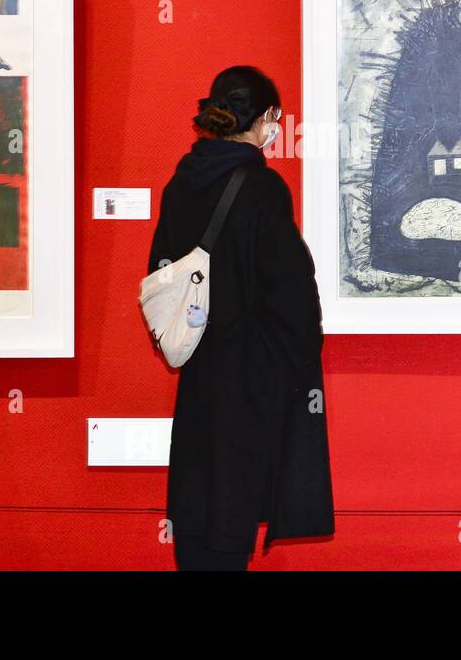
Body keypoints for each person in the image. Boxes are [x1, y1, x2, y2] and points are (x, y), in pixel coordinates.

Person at [147, 65, 335, 570]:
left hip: (196, 366)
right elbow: (293, 293)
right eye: (276, 118)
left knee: (199, 506)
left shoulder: (180, 182)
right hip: (250, 373)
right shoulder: (261, 188)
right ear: (266, 118)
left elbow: (159, 275)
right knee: (234, 507)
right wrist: (296, 359)